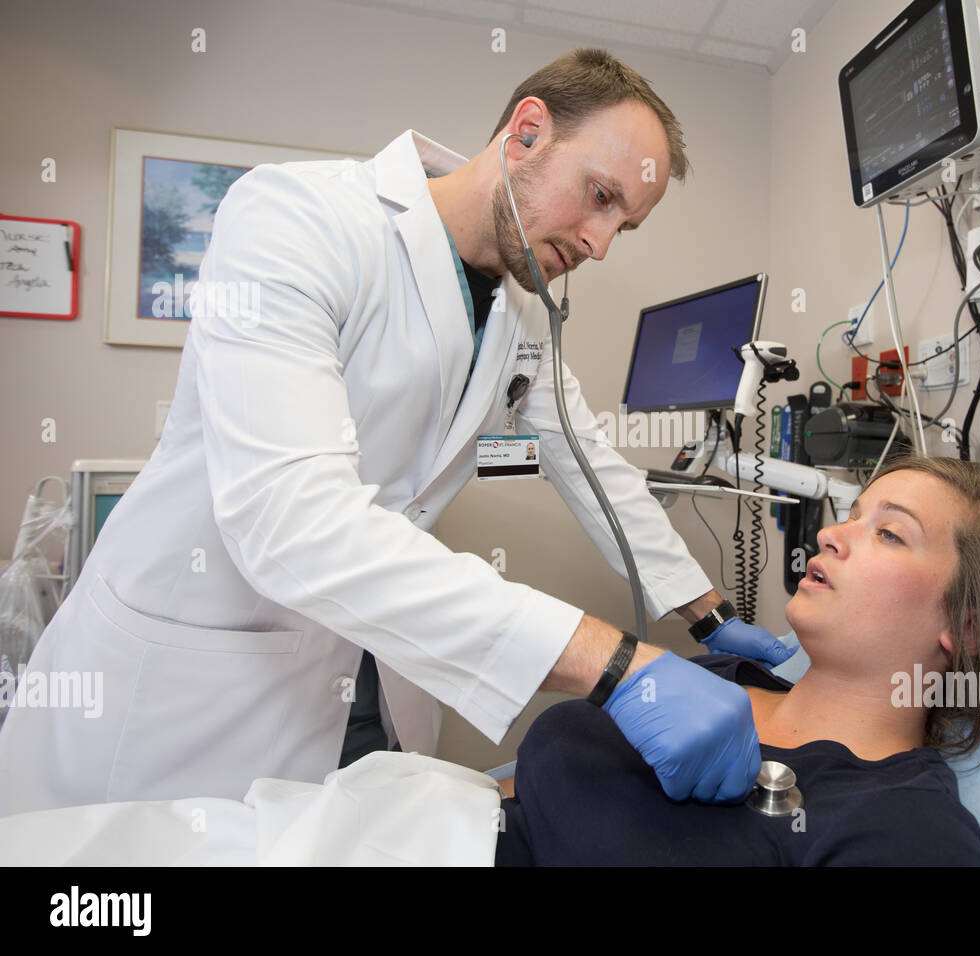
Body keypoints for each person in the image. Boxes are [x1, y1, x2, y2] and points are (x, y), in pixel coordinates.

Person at [0, 50, 794, 817]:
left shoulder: (523, 308)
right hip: (185, 679)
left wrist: (707, 611)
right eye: (599, 195)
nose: (599, 241)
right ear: (527, 131)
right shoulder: (297, 216)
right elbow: (292, 520)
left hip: (356, 671)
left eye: (625, 222)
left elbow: (586, 457)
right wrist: (614, 665)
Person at [495, 455, 980, 865]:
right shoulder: (713, 679)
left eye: (890, 533)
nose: (834, 532)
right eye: (856, 513)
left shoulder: (902, 826)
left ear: (968, 627)